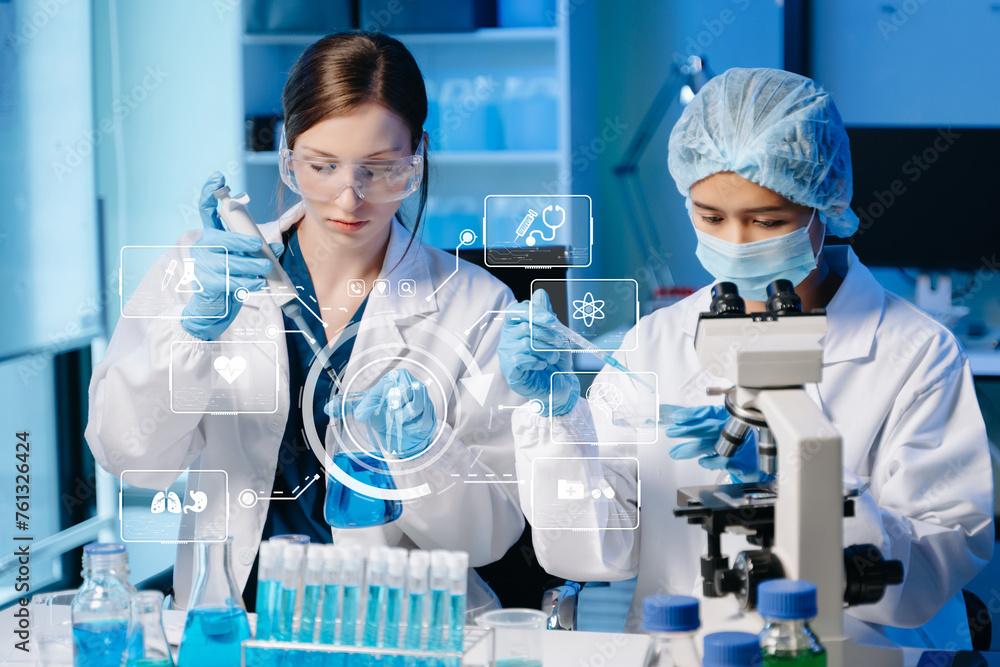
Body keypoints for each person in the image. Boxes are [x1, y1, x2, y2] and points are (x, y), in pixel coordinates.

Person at [498, 68, 993, 648]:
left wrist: (800, 481)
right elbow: (591, 549)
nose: (736, 243)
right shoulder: (657, 341)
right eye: (711, 217)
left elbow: (936, 565)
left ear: (825, 205)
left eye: (767, 221)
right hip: (682, 650)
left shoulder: (915, 353)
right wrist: (558, 419)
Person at [86, 31, 524, 616]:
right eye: (322, 166)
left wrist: (424, 450)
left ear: (418, 155)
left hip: (400, 627)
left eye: (381, 169)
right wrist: (191, 336)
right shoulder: (200, 271)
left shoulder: (475, 304)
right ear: (287, 153)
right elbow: (130, 458)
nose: (349, 198)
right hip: (235, 619)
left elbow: (488, 538)